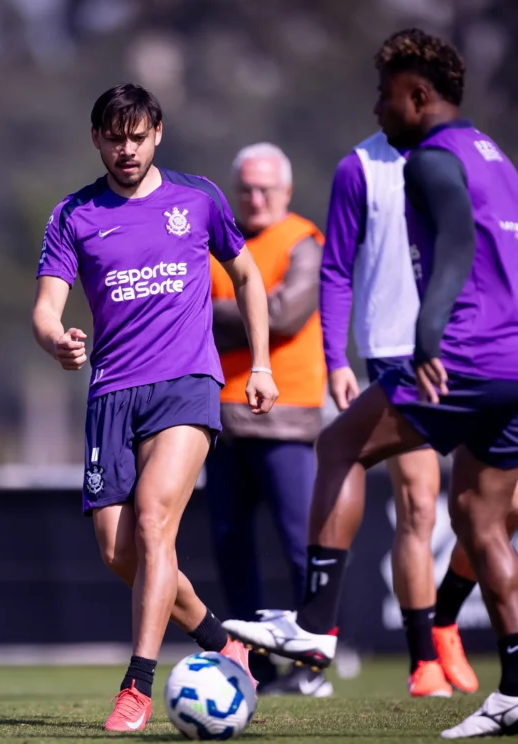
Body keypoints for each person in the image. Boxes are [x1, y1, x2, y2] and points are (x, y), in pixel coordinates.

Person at [224, 29, 518, 738]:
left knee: (339, 445)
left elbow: (456, 250)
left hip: (468, 357)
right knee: (478, 516)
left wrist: (433, 335)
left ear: (418, 95)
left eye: (384, 95)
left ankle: (315, 625)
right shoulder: (498, 158)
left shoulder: (430, 160)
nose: (378, 108)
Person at [31, 83, 279, 732]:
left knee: (152, 522)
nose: (126, 149)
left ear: (157, 133)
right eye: (114, 137)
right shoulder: (73, 214)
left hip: (187, 385)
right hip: (112, 393)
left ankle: (137, 684)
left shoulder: (197, 198)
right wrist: (56, 337)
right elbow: (45, 306)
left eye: (137, 136)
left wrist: (258, 364)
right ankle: (223, 640)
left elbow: (248, 274)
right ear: (96, 140)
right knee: (121, 552)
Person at [322, 128, 518, 697]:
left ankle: (445, 617)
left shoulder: (468, 154)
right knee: (418, 505)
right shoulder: (360, 166)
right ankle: (424, 663)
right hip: (396, 348)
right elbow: (337, 267)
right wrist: (334, 356)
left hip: (471, 346)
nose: (381, 104)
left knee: (512, 504)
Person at [206, 143, 332, 697]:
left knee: (300, 544)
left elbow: (284, 313)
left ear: (286, 192)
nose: (255, 198)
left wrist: (206, 315)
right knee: (231, 551)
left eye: (266, 189)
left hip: (288, 420)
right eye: (247, 188)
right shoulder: (218, 240)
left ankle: (313, 667)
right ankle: (256, 668)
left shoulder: (304, 240)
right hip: (222, 422)